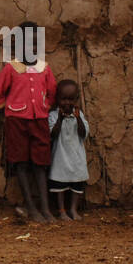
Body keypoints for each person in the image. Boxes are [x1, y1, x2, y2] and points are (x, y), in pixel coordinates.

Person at [0, 21, 57, 223]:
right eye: (26, 44)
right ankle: (31, 208)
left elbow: (52, 92)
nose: (31, 48)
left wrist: (44, 107)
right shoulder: (11, 68)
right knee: (21, 162)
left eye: (35, 44)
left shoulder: (44, 68)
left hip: (39, 120)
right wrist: (10, 106)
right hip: (17, 121)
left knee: (40, 163)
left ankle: (45, 208)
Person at [47, 79, 90, 221]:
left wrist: (78, 119)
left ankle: (73, 209)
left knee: (77, 184)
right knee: (59, 185)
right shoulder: (53, 116)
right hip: (60, 158)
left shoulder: (79, 115)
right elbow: (52, 135)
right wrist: (60, 119)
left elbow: (83, 134)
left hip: (76, 158)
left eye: (71, 99)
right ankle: (62, 211)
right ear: (57, 99)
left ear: (76, 100)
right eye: (63, 99)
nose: (67, 103)